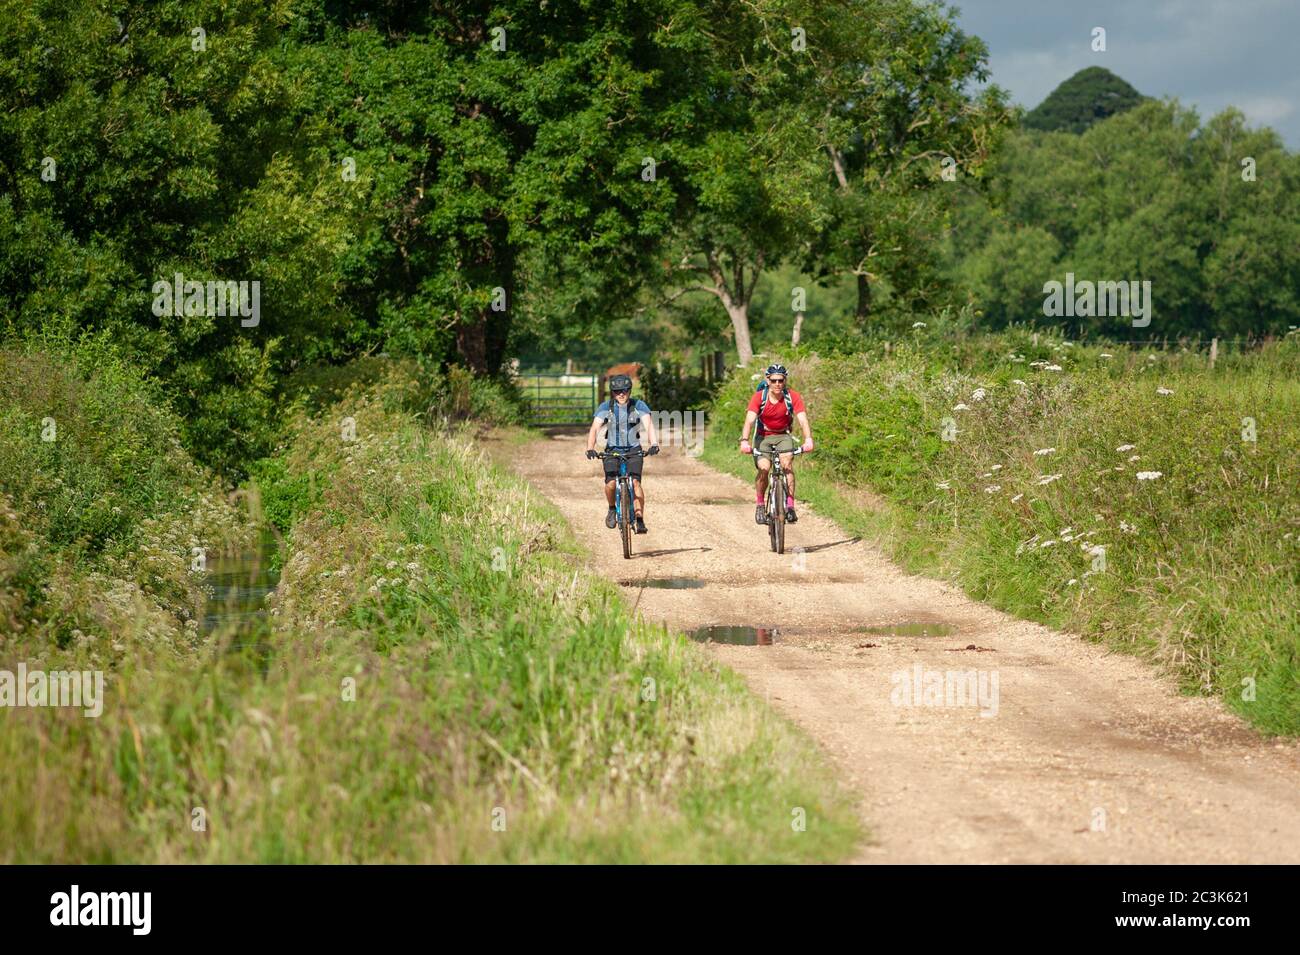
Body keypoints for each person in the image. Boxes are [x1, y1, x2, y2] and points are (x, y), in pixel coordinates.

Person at [738, 364, 814, 525]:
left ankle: (790, 506)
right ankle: (760, 505)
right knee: (764, 468)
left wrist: (808, 440)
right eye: (774, 380)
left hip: (783, 435)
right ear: (768, 380)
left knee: (787, 465)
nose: (777, 384)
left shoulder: (792, 396)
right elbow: (749, 421)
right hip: (763, 437)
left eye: (781, 380)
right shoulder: (759, 397)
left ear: (785, 380)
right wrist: (744, 441)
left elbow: (803, 420)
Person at [585, 374, 659, 533]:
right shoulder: (606, 407)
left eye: (624, 390)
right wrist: (590, 447)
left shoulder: (639, 405)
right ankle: (612, 509)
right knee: (611, 483)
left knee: (635, 483)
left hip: (633, 450)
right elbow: (595, 428)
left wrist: (654, 444)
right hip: (612, 451)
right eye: (617, 391)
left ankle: (639, 519)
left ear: (629, 391)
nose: (621, 394)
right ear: (612, 392)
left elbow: (649, 425)